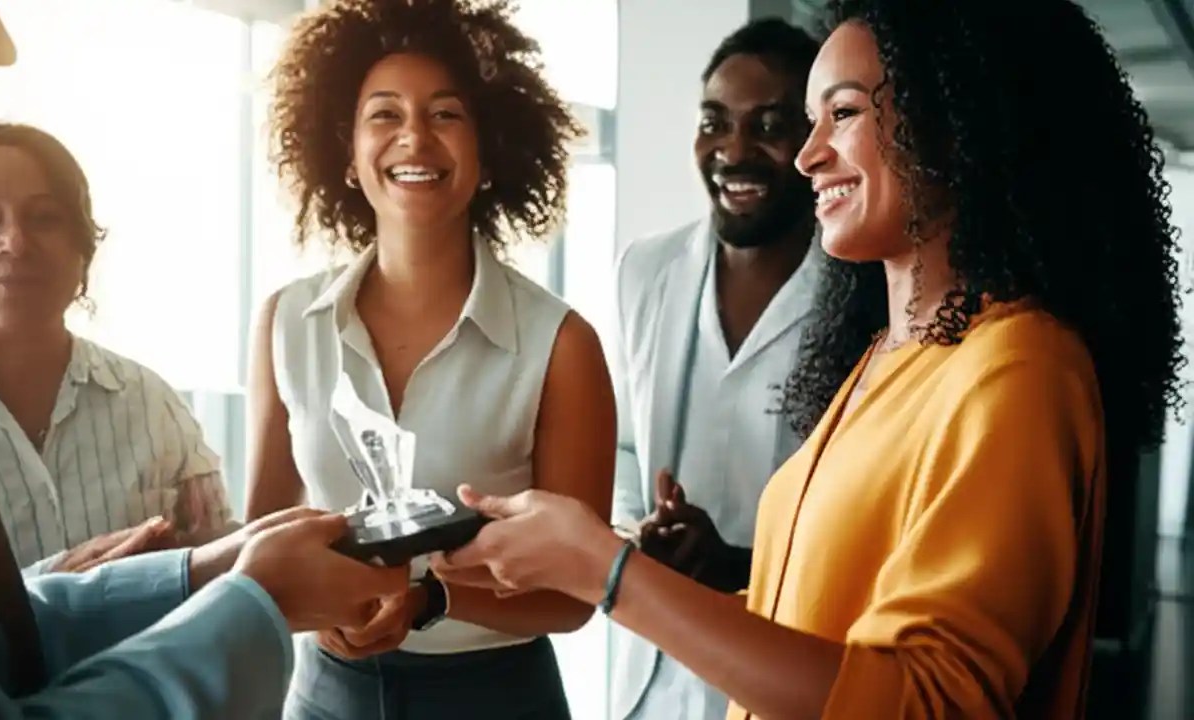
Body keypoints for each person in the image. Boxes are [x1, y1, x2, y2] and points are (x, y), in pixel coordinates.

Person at [433, 0, 1185, 718]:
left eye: (844, 113)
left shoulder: (1019, 370)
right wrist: (543, 563)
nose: (807, 154)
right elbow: (810, 617)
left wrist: (605, 571)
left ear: (954, 125)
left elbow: (925, 702)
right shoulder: (888, 358)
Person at [0, 1, 409, 717]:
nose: (1, 41)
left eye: (46, 216)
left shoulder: (151, 404)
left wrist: (208, 572)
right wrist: (248, 603)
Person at [247, 0, 615, 718]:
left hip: (496, 696)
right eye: (384, 115)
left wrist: (428, 600)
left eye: (446, 114)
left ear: (486, 153)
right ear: (347, 153)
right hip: (326, 695)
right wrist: (312, 606)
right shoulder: (286, 324)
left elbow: (577, 594)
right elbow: (260, 539)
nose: (414, 136)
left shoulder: (560, 345)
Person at [609, 18, 820, 720]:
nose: (734, 151)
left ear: (817, 140)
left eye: (769, 125)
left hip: (784, 666)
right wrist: (636, 535)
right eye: (714, 122)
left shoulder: (867, 297)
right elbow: (622, 448)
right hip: (649, 674)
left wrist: (734, 564)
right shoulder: (645, 270)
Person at [0, 121, 234, 576]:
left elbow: (224, 586)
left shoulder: (152, 406)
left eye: (44, 217)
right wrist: (49, 590)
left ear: (82, 246)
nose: (15, 242)